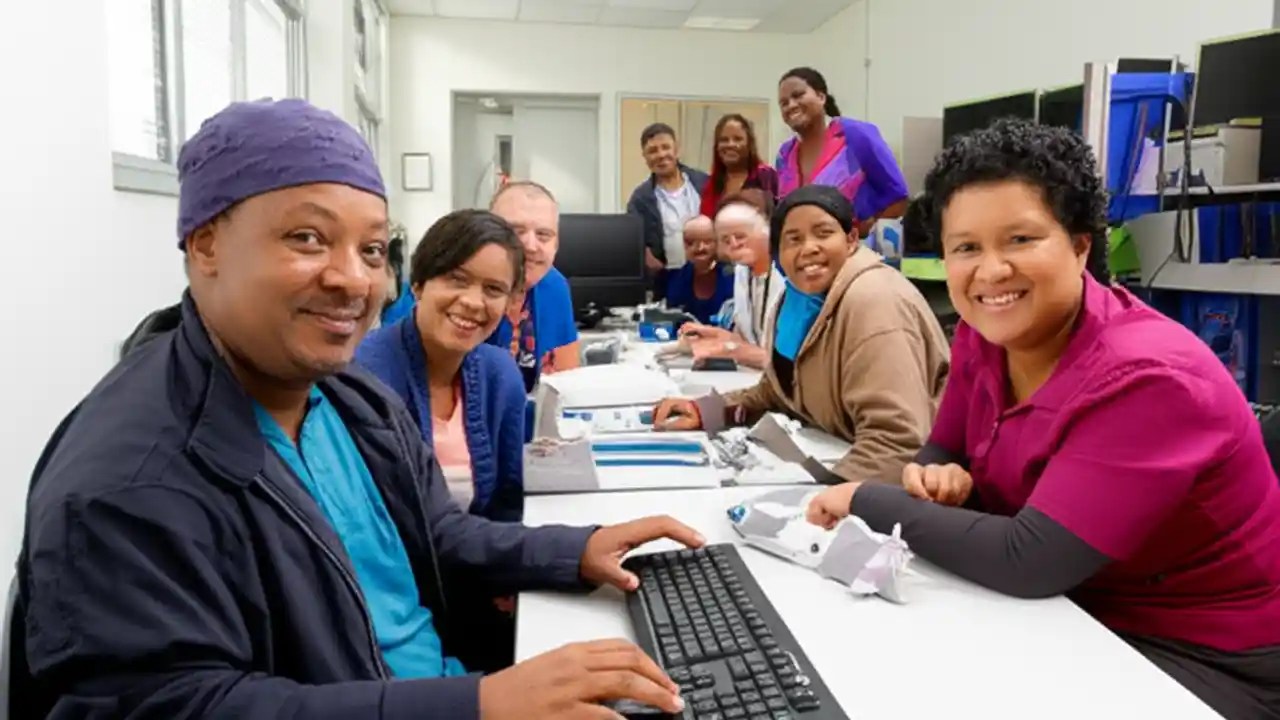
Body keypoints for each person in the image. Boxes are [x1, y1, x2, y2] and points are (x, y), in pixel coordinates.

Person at [17, 98, 702, 720]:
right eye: (307, 238)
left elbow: (439, 531)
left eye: (371, 249)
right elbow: (180, 705)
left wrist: (575, 549)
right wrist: (479, 705)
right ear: (205, 244)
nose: (353, 279)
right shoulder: (128, 480)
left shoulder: (347, 399)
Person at [805, 119, 1280, 720]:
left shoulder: (1148, 378)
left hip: (1204, 654)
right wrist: (933, 475)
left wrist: (865, 499)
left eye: (1021, 239)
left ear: (1080, 245)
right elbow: (944, 447)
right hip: (1073, 612)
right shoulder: (986, 334)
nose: (991, 272)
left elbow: (1030, 559)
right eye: (966, 248)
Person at [655, 185, 949, 485]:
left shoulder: (874, 299)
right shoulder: (797, 300)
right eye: (793, 239)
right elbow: (776, 394)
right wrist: (707, 411)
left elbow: (897, 444)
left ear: (851, 239)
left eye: (823, 233)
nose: (808, 248)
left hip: (910, 485)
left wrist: (821, 500)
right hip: (848, 462)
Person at [356, 210, 527, 522]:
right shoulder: (362, 375)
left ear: (510, 302)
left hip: (474, 552)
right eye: (457, 280)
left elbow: (505, 511)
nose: (473, 301)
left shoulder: (500, 376)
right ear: (419, 284)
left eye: (493, 289)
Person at [776, 67, 909, 243]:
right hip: (804, 253)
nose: (791, 105)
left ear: (821, 97)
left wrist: (867, 231)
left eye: (798, 95)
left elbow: (898, 196)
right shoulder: (785, 155)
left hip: (855, 251)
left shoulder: (856, 135)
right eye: (784, 103)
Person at [485, 180, 580, 392]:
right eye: (516, 231)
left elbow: (565, 385)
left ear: (556, 245)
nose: (530, 246)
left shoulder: (554, 287)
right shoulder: (459, 290)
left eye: (543, 235)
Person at [679, 189, 784, 370]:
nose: (734, 245)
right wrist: (715, 335)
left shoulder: (787, 277)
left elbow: (786, 362)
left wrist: (732, 349)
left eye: (741, 236)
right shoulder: (742, 272)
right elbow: (747, 341)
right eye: (725, 240)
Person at [625, 122, 709, 297]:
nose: (661, 155)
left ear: (676, 149)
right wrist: (645, 256)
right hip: (668, 280)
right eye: (653, 151)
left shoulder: (705, 183)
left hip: (710, 276)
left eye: (665, 147)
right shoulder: (640, 199)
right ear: (645, 157)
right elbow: (633, 242)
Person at [699, 113, 779, 217]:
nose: (730, 144)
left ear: (749, 144)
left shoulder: (766, 176)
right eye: (724, 140)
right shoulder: (711, 186)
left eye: (737, 139)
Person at [663, 215, 734, 325]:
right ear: (684, 245)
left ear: (717, 242)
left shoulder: (733, 277)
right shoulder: (677, 280)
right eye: (691, 242)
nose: (700, 247)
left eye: (707, 241)